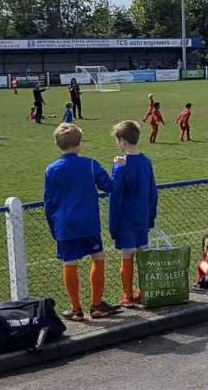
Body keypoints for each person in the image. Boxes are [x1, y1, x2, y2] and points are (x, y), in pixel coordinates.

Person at [44, 123, 126, 321]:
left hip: (65, 224)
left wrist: (53, 227)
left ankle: (75, 308)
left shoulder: (51, 169)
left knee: (70, 263)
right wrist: (119, 168)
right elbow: (110, 185)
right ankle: (97, 304)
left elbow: (49, 202)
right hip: (88, 222)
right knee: (98, 258)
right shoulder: (90, 164)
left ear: (57, 144)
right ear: (79, 144)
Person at [109, 120, 159, 308]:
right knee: (143, 252)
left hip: (126, 218)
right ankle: (147, 291)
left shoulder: (121, 164)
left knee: (127, 254)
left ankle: (128, 295)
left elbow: (116, 196)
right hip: (142, 215)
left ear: (122, 141)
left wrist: (113, 224)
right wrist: (150, 216)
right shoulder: (146, 161)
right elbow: (153, 192)